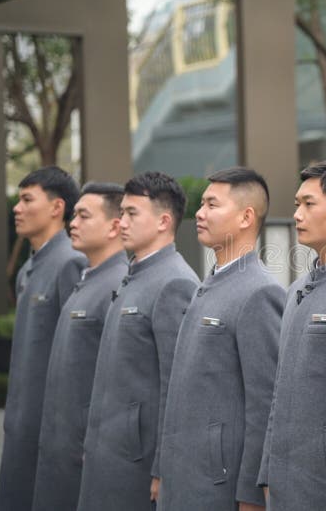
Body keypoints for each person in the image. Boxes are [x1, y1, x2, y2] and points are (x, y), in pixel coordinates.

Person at [157, 167, 284, 511]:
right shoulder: (208, 285)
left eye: (212, 204)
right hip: (184, 478)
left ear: (246, 217)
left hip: (218, 487)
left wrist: (251, 495)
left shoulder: (260, 292)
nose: (199, 213)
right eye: (201, 204)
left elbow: (265, 405)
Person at [77, 172, 198, 511]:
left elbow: (176, 387)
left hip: (136, 465)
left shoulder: (175, 282)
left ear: (163, 221)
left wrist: (162, 467)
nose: (122, 221)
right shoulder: (135, 275)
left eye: (132, 213)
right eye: (121, 212)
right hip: (109, 454)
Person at [258, 159, 326, 511]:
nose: (297, 215)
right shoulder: (296, 289)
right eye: (296, 205)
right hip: (283, 484)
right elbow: (278, 392)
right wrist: (266, 474)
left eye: (309, 204)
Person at [31, 182, 129, 511]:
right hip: (62, 448)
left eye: (84, 216)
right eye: (74, 216)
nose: (73, 223)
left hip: (86, 453)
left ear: (115, 225)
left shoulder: (118, 285)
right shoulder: (89, 278)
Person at [0, 166, 86, 511]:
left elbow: (76, 355)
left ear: (56, 207)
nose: (16, 208)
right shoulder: (28, 269)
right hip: (20, 422)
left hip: (50, 428)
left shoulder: (71, 263)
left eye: (26, 199)